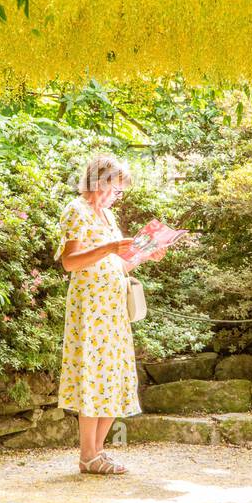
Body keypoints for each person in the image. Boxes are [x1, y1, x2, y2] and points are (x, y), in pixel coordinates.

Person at [54, 154, 165, 474]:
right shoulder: (76, 210)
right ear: (99, 182)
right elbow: (70, 262)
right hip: (90, 310)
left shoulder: (107, 216)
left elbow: (120, 264)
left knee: (112, 376)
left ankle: (97, 452)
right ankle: (87, 454)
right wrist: (111, 247)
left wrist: (145, 255)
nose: (118, 196)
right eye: (116, 189)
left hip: (113, 311)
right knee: (93, 376)